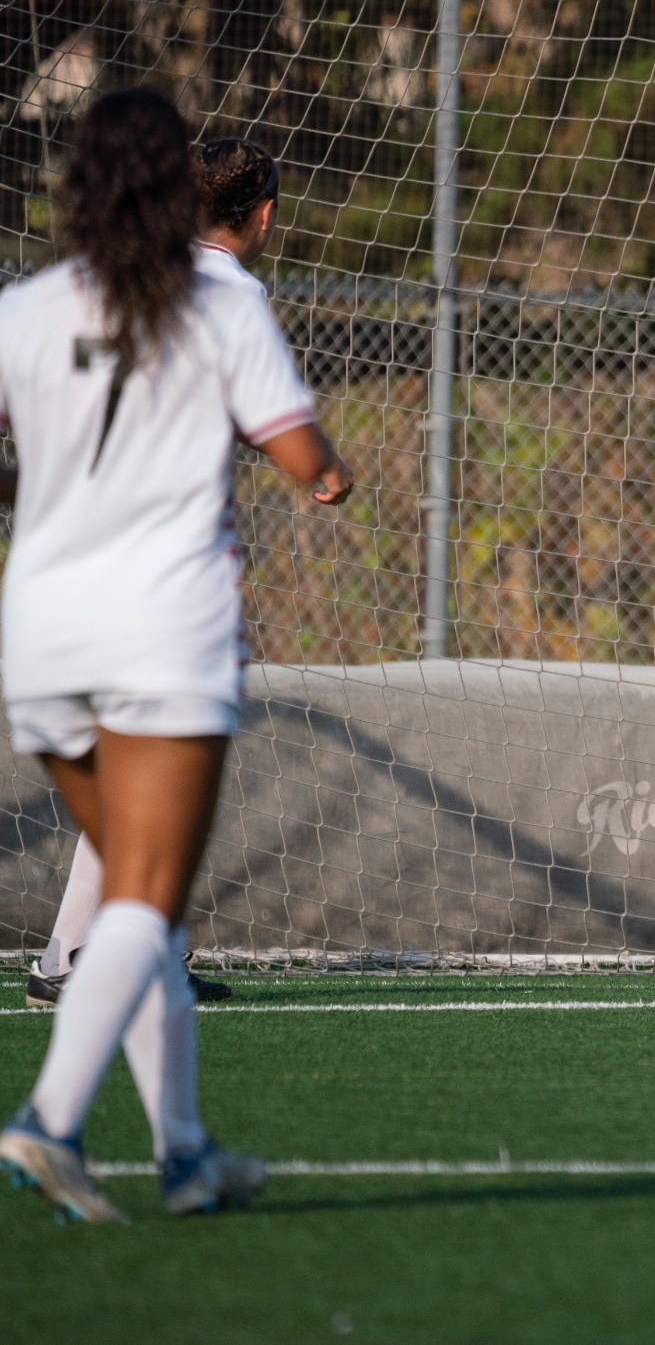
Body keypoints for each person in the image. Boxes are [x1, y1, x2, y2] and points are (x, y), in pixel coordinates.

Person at [0, 90, 353, 1223]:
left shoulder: (28, 308)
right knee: (146, 901)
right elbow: (305, 461)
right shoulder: (220, 302)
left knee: (144, 902)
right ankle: (50, 1120)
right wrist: (329, 469)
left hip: (42, 628)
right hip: (162, 625)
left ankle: (188, 1155)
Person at [25, 137, 282, 1010]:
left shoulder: (116, 277)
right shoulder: (232, 293)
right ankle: (101, 962)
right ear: (263, 214)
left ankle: (80, 954)